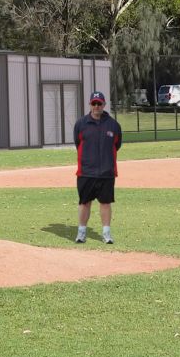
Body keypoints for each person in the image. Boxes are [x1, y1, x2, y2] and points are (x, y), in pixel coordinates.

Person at [71, 90, 123, 245]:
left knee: (105, 203)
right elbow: (78, 143)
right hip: (86, 172)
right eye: (94, 103)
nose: (96, 106)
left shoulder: (113, 125)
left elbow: (117, 145)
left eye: (99, 103)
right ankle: (81, 233)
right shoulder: (81, 124)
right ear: (90, 105)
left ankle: (106, 234)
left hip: (106, 172)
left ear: (104, 105)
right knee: (84, 203)